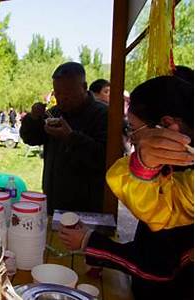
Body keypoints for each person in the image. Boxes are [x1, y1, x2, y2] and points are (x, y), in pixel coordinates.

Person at [59, 75, 193, 300]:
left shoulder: (183, 177)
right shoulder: (177, 175)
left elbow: (156, 267)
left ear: (168, 125)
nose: (130, 139)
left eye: (132, 128)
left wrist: (89, 242)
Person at [20, 62, 108, 214]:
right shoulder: (54, 113)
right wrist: (33, 118)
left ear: (84, 86)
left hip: (87, 207)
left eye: (69, 93)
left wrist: (71, 137)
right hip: (53, 201)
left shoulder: (102, 115)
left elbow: (105, 157)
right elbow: (31, 138)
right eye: (58, 93)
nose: (63, 98)